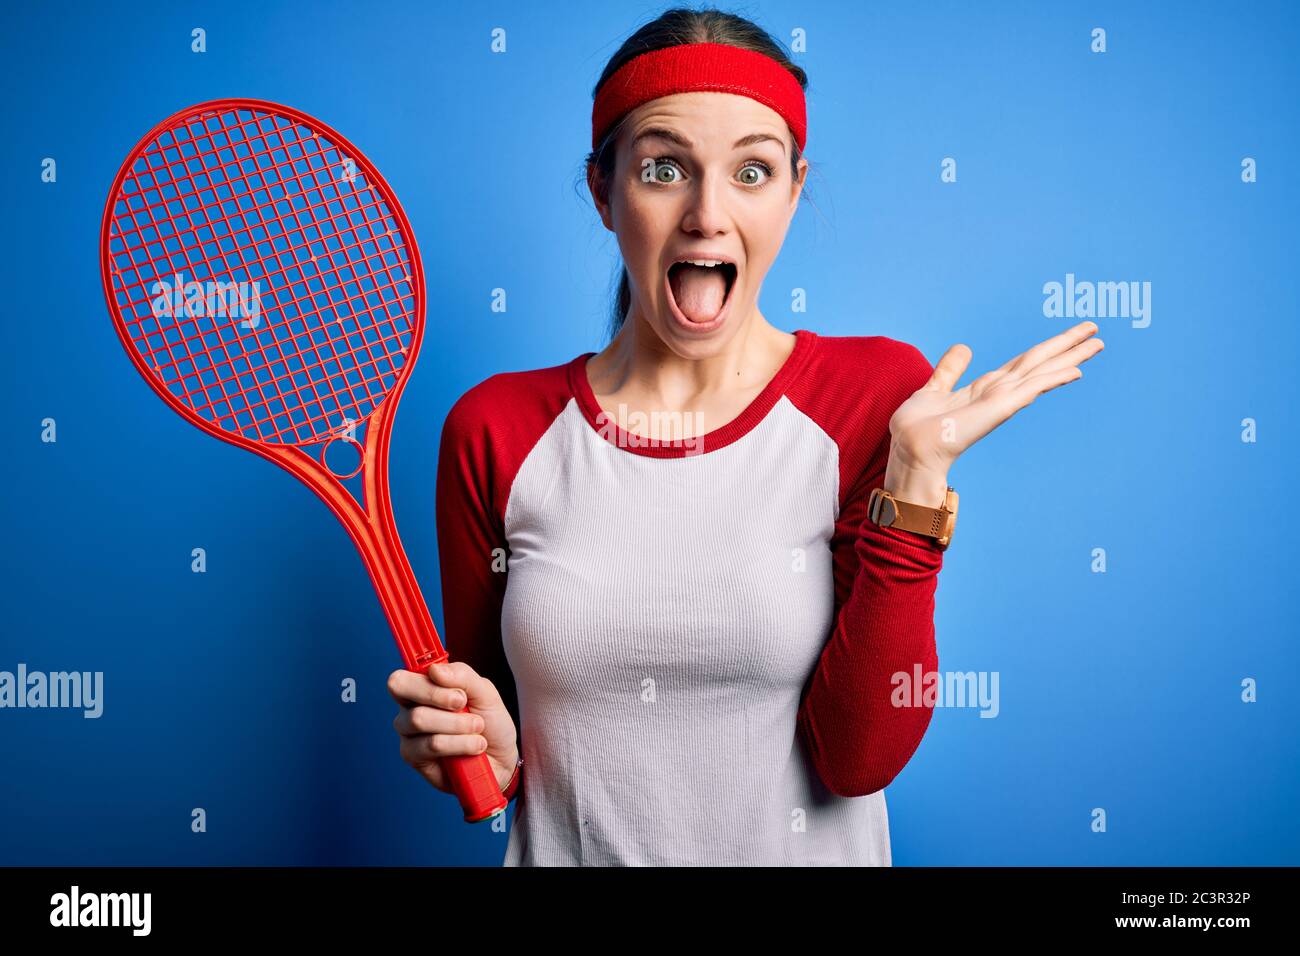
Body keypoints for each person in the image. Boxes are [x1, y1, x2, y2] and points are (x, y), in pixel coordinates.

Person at [387, 7, 1102, 865]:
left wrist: (914, 480)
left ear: (796, 191)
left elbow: (858, 758)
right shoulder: (496, 430)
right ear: (603, 192)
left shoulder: (873, 399)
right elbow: (496, 733)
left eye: (753, 171)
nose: (707, 216)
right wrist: (485, 757)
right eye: (663, 169)